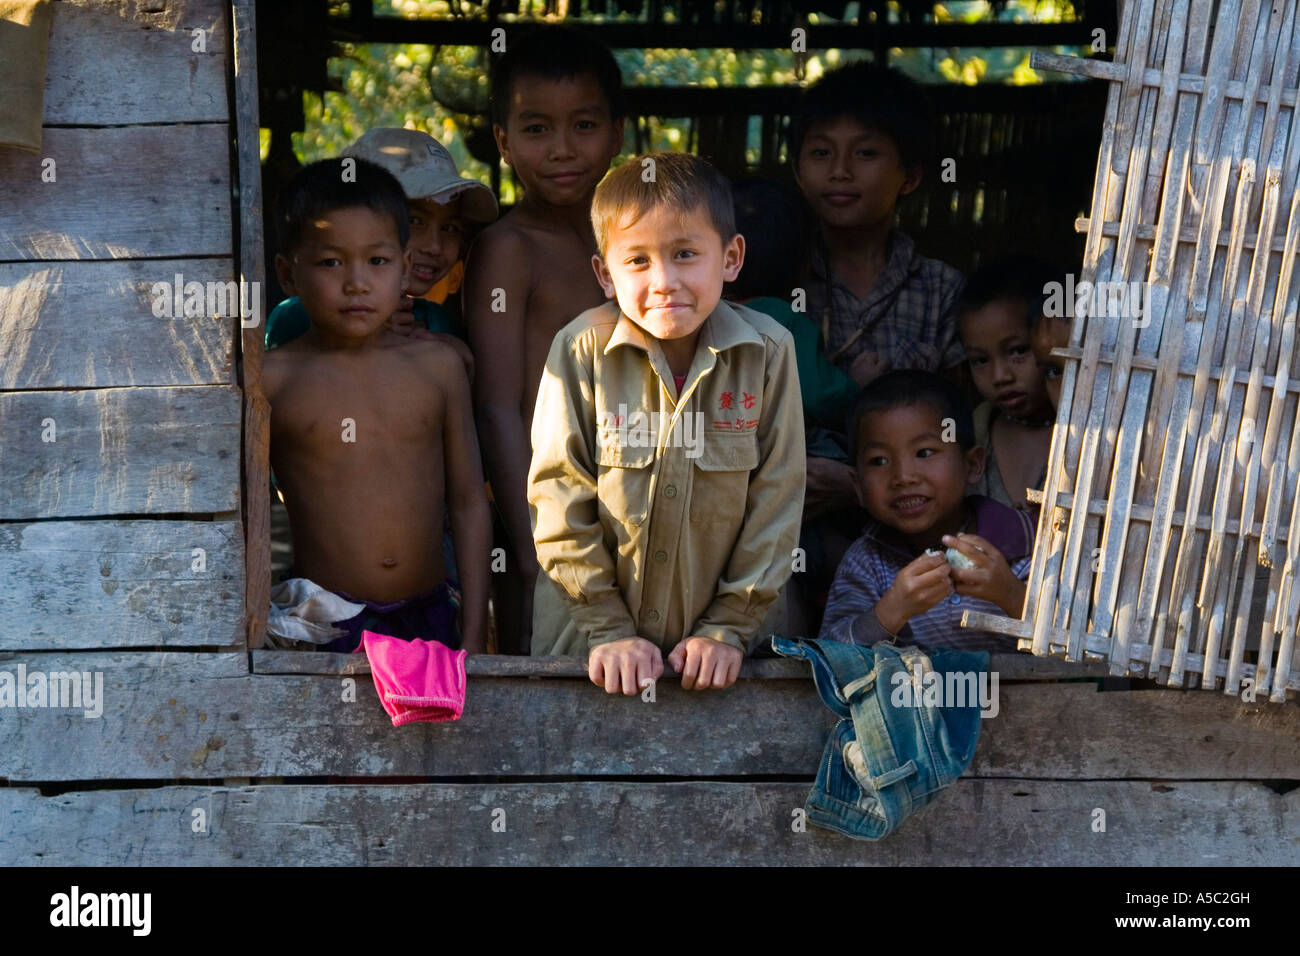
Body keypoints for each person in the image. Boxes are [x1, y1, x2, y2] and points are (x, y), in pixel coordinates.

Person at [528, 152, 806, 694]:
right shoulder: (580, 350)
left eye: (684, 254)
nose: (664, 281)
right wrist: (607, 629)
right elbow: (558, 497)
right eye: (637, 261)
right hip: (587, 653)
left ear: (730, 258)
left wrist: (728, 627)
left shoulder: (769, 352)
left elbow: (778, 502)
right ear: (604, 274)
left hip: (730, 663)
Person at [263, 158, 491, 654]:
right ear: (287, 273)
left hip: (432, 616)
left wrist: (473, 632)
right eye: (330, 262)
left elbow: (470, 502)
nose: (356, 282)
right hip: (323, 622)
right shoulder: (274, 380)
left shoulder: (437, 367)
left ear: (405, 267)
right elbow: (246, 511)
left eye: (377, 261)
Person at [464, 26, 626, 654]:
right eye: (536, 130)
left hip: (631, 505)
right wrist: (532, 548)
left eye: (583, 126)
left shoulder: (633, 247)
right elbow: (498, 404)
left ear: (617, 132)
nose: (562, 150)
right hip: (549, 515)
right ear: (503, 142)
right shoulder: (509, 249)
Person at [789, 60, 968, 529]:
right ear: (796, 169)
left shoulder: (942, 291)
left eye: (865, 154)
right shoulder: (774, 285)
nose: (840, 172)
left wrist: (855, 486)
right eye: (822, 153)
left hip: (913, 533)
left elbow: (962, 425)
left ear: (909, 176)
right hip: (787, 528)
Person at [820, 370, 1035, 653]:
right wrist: (890, 612)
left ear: (972, 465)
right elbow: (829, 655)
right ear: (858, 486)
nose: (903, 476)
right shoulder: (867, 561)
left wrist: (1011, 594)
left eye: (924, 453)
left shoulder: (1022, 542)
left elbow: (1077, 639)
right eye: (879, 460)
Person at [264, 128, 496, 385]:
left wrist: (452, 352)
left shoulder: (435, 322)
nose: (434, 246)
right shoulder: (298, 316)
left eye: (450, 228)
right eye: (414, 220)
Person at [955, 257, 1058, 513]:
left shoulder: (1090, 437)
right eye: (980, 360)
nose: (1000, 376)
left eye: (1018, 351)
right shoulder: (971, 434)